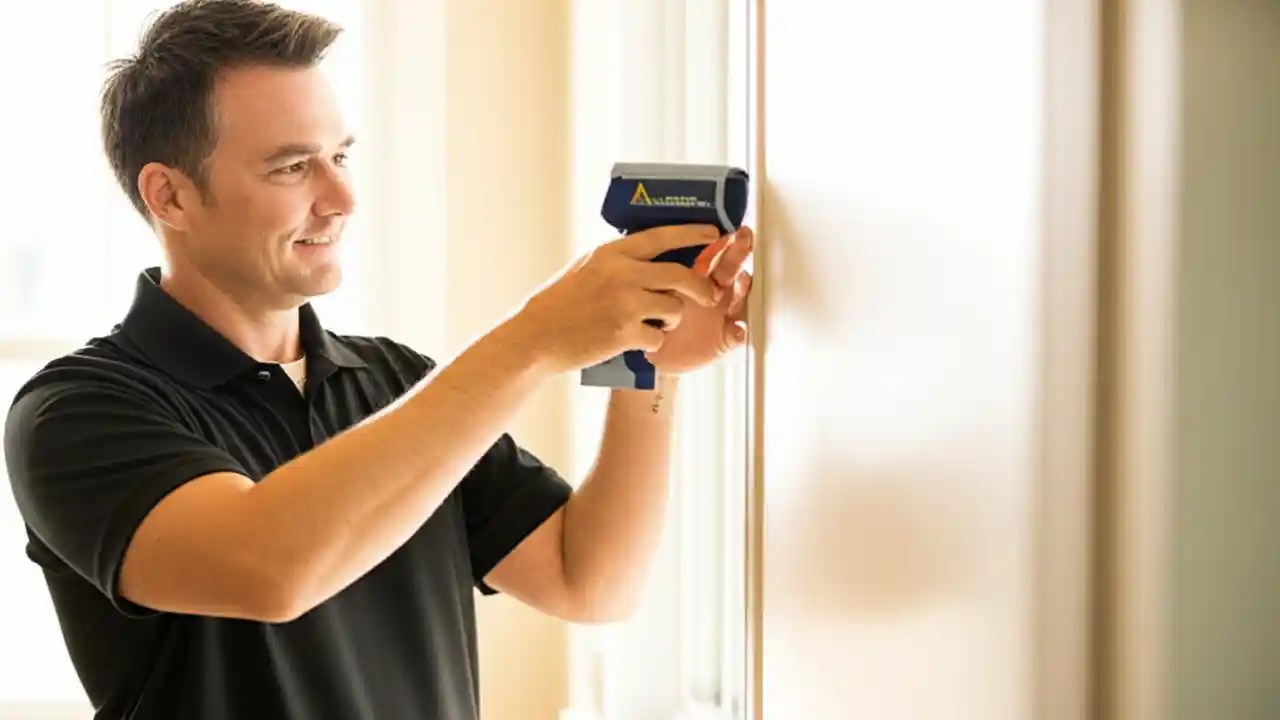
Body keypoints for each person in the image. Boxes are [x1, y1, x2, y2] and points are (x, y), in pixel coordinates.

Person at [2, 1, 753, 718]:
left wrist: (648, 360)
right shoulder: (76, 412)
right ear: (169, 196)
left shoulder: (396, 383)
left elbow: (586, 580)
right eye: (292, 167)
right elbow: (270, 569)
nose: (341, 197)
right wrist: (534, 337)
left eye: (340, 156)